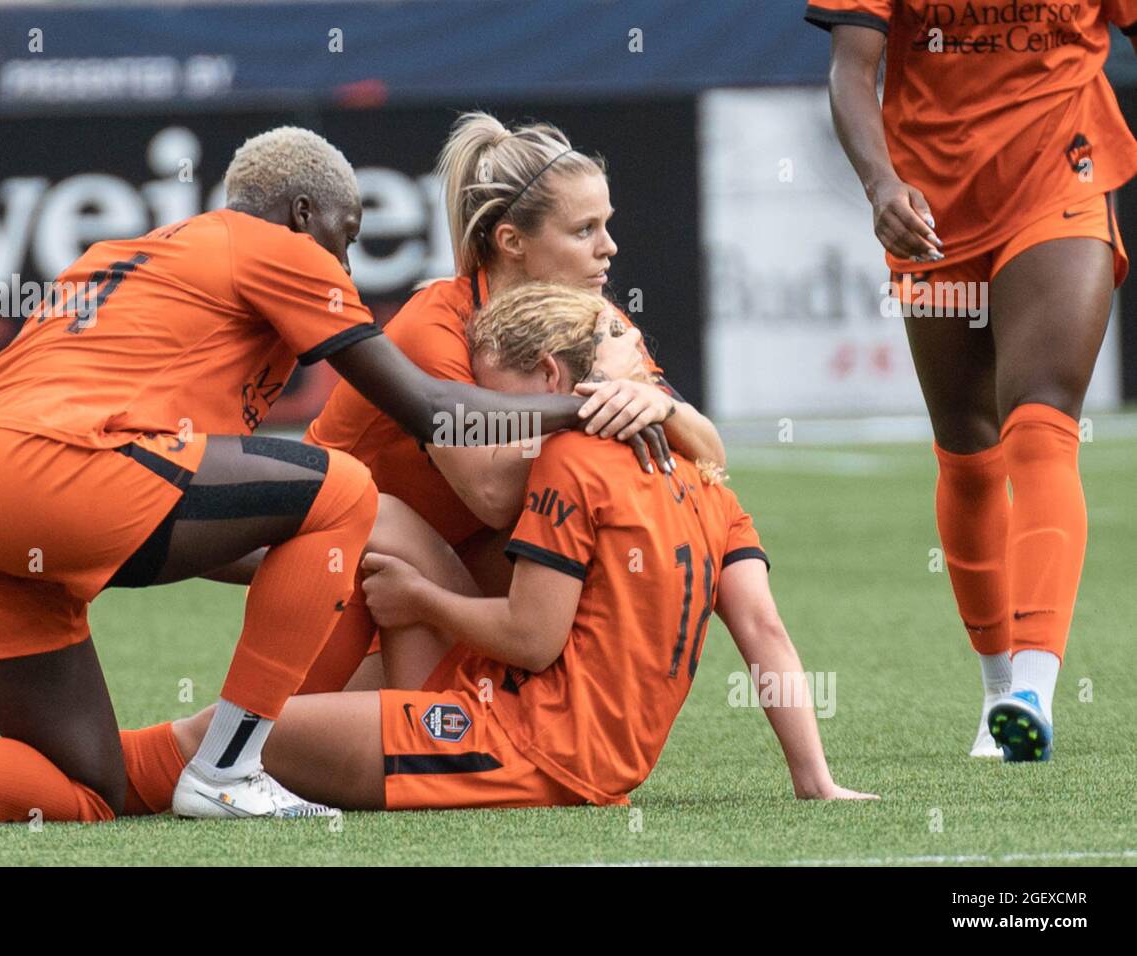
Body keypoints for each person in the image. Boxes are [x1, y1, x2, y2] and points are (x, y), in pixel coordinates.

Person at [0, 128, 673, 825]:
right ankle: (229, 770)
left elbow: (200, 529)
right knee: (342, 488)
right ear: (303, 214)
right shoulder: (273, 245)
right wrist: (592, 406)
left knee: (97, 790)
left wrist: (328, 563)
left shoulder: (130, 257)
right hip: (53, 466)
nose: (345, 267)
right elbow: (427, 408)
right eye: (345, 238)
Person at [152, 283, 877, 812]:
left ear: (553, 380)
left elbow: (532, 638)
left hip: (531, 749)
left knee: (215, 743)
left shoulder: (572, 460)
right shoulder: (707, 478)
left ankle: (82, 774)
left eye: (503, 398)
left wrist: (418, 598)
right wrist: (813, 778)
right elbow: (763, 628)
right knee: (381, 533)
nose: (501, 422)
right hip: (536, 721)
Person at [294, 110, 727, 693]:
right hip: (337, 553)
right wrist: (596, 404)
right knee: (299, 747)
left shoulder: (596, 319)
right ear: (512, 242)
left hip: (451, 550)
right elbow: (493, 494)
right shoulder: (435, 325)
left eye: (607, 224)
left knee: (605, 501)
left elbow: (711, 459)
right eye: (585, 230)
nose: (610, 247)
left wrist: (665, 410)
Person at [807, 0, 1137, 760]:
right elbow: (851, 68)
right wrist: (879, 185)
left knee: (1043, 418)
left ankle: (1032, 686)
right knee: (966, 447)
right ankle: (995, 690)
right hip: (933, 204)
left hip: (1061, 176)